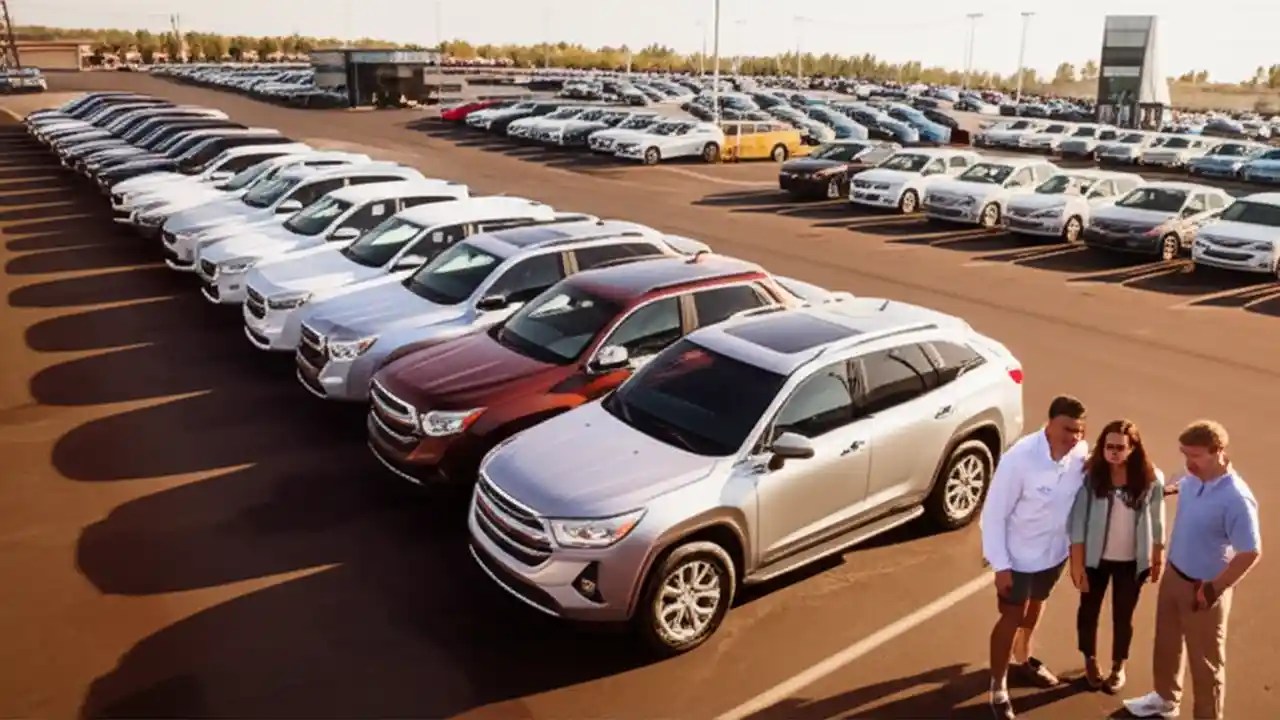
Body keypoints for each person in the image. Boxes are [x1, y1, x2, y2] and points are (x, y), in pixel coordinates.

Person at [1124, 420, 1262, 720]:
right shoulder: (1194, 477)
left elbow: (1250, 552)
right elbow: (1181, 485)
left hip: (1205, 586)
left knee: (1206, 664)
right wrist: (1166, 489)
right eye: (1185, 454)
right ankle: (1165, 700)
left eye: (1195, 456)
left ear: (1219, 452)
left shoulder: (1236, 498)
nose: (1188, 462)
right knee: (1166, 643)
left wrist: (1214, 588)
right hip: (1175, 575)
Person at [980, 395, 1089, 719]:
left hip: (1053, 555)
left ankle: (1023, 659)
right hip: (1017, 557)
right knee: (1011, 616)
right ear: (1050, 423)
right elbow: (994, 515)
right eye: (1068, 429)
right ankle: (997, 687)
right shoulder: (1020, 459)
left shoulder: (1081, 453)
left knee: (1035, 607)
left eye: (1080, 431)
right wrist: (1001, 566)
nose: (1075, 438)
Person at [1067, 420, 1166, 694]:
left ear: (1133, 448)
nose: (1113, 452)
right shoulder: (1092, 477)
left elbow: (1158, 522)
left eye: (1120, 447)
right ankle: (1090, 660)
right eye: (1108, 446)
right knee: (1088, 612)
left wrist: (1157, 558)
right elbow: (1078, 523)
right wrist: (1077, 564)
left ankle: (1118, 666)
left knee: (1123, 617)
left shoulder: (1150, 478)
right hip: (1095, 562)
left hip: (1130, 564)